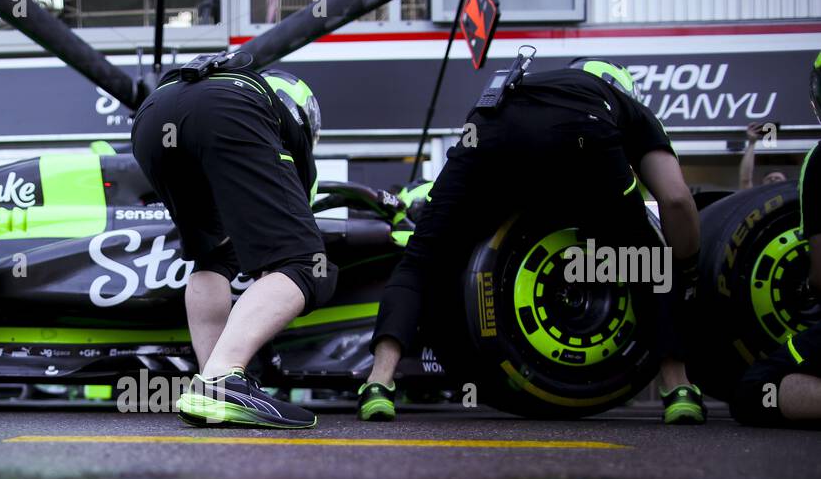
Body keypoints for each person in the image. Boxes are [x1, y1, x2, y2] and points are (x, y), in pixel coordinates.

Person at [359, 58, 706, 425]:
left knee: (421, 260)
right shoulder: (626, 106)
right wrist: (686, 268)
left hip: (490, 126)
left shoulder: (527, 83)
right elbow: (677, 200)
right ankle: (678, 387)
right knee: (650, 265)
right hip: (582, 132)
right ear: (623, 90)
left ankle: (379, 383)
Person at [131, 51, 334, 428]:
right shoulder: (283, 119)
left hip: (152, 114)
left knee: (213, 258)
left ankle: (209, 385)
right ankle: (224, 378)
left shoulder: (228, 87)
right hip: (226, 109)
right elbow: (285, 254)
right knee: (307, 266)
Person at [732, 50, 821, 427]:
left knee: (757, 390)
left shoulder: (817, 163)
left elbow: (820, 279)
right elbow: (743, 188)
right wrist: (751, 145)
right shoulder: (756, 196)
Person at [739, 122, 789, 189]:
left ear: (786, 184)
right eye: (768, 179)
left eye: (778, 178)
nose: (773, 180)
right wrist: (752, 143)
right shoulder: (759, 198)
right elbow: (745, 181)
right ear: (763, 184)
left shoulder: (792, 198)